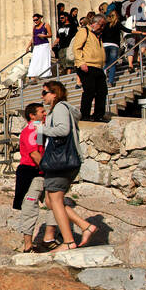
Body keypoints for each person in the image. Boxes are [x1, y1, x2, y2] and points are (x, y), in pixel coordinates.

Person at [37, 81, 93, 251]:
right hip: (63, 161)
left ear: (54, 94)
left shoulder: (60, 107)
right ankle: (85, 226)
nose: (42, 96)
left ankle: (69, 241)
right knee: (50, 200)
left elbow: (63, 130)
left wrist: (41, 129)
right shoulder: (58, 109)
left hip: (61, 162)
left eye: (45, 92)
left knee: (55, 200)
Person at [14, 104, 54, 253]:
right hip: (32, 171)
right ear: (32, 115)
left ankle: (48, 238)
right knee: (30, 206)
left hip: (40, 170)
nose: (45, 113)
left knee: (53, 203)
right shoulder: (31, 130)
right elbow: (34, 153)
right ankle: (28, 245)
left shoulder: (39, 129)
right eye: (41, 111)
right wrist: (47, 168)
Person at [73, 13, 109, 122]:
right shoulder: (84, 31)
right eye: (101, 25)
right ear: (94, 23)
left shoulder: (98, 35)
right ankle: (85, 115)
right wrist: (81, 62)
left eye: (104, 25)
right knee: (89, 90)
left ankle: (98, 115)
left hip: (98, 67)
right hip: (87, 65)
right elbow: (77, 48)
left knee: (102, 91)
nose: (103, 28)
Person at [27, 13, 53, 79]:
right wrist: (28, 46)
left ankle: (44, 75)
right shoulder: (34, 27)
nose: (35, 21)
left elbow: (50, 35)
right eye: (34, 20)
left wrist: (44, 36)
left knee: (44, 60)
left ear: (40, 18)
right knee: (34, 60)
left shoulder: (46, 25)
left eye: (36, 19)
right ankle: (33, 76)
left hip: (44, 45)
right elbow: (33, 37)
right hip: (36, 46)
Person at [101, 12, 124, 86]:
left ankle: (103, 80)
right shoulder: (117, 24)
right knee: (112, 64)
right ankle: (110, 81)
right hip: (114, 45)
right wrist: (141, 32)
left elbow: (100, 34)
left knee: (105, 63)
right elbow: (127, 30)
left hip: (105, 45)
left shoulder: (104, 25)